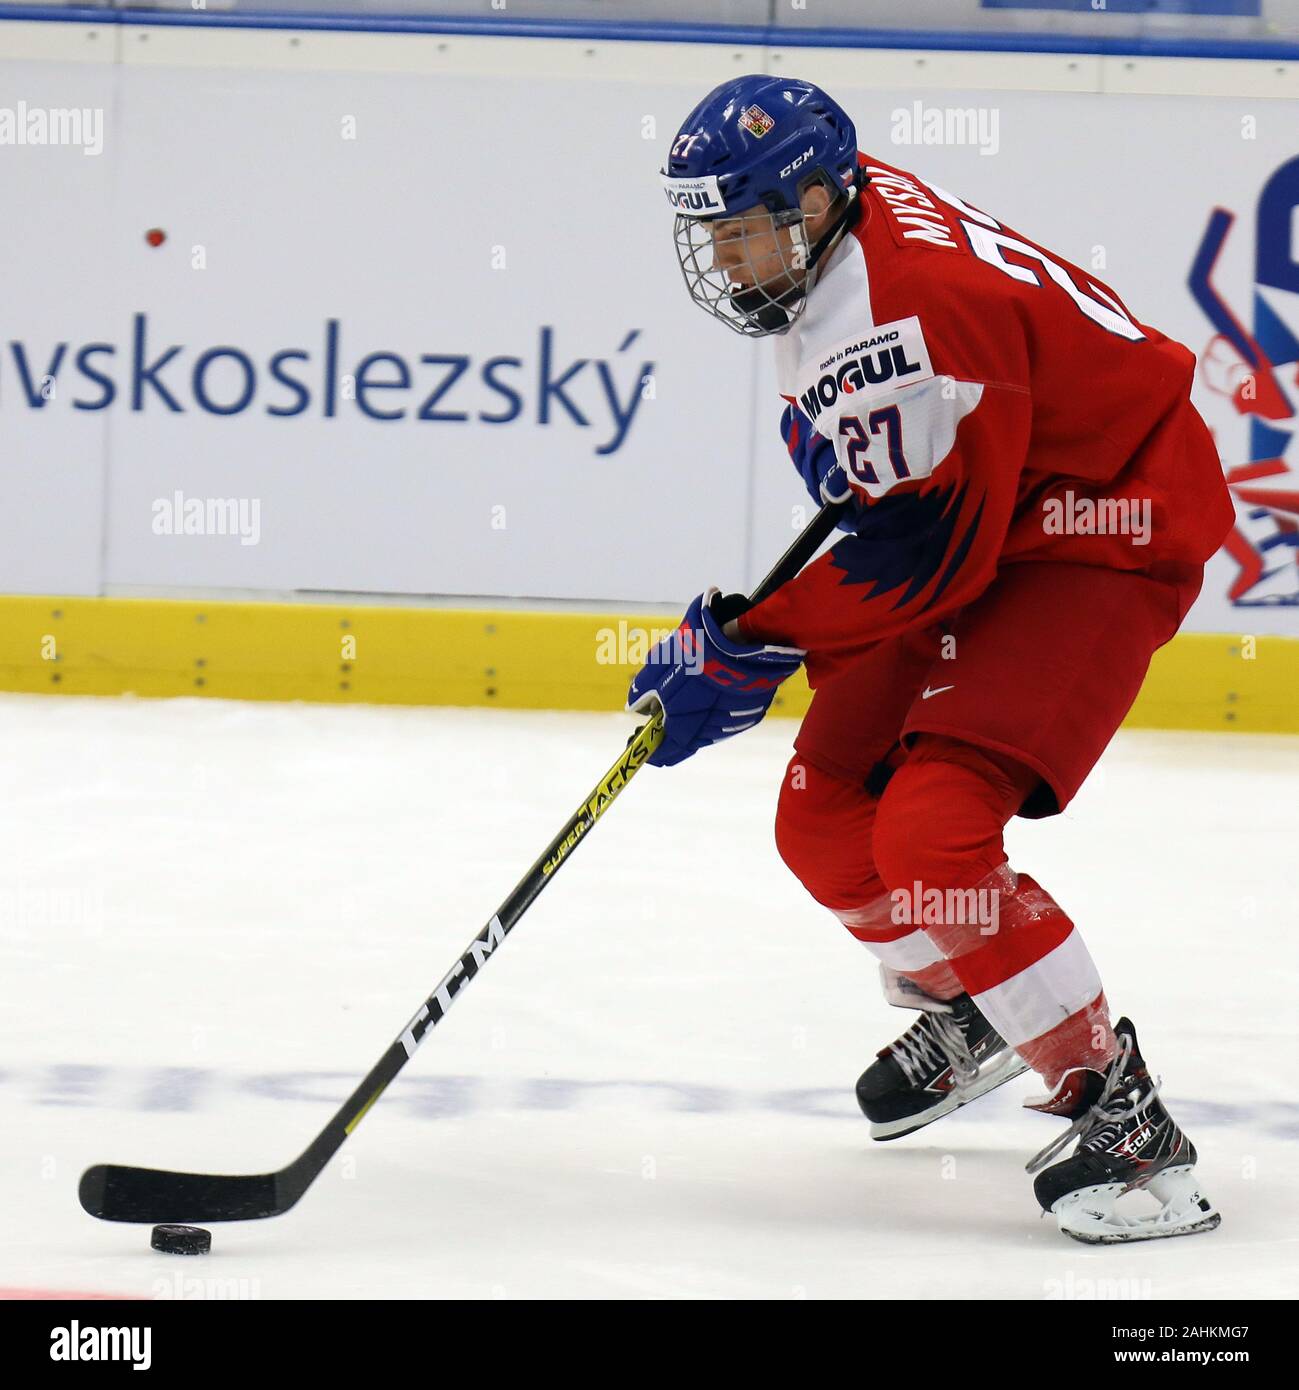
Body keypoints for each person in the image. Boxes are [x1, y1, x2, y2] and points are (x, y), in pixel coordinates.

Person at [630, 74, 1232, 1243]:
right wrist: (756, 637)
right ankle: (977, 1008)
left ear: (814, 201)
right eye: (711, 231)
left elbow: (930, 562)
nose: (726, 257)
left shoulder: (912, 313)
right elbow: (905, 504)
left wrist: (753, 641)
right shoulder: (838, 249)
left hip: (1106, 518)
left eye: (744, 227)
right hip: (1002, 508)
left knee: (932, 833)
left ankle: (1129, 1124)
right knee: (822, 815)